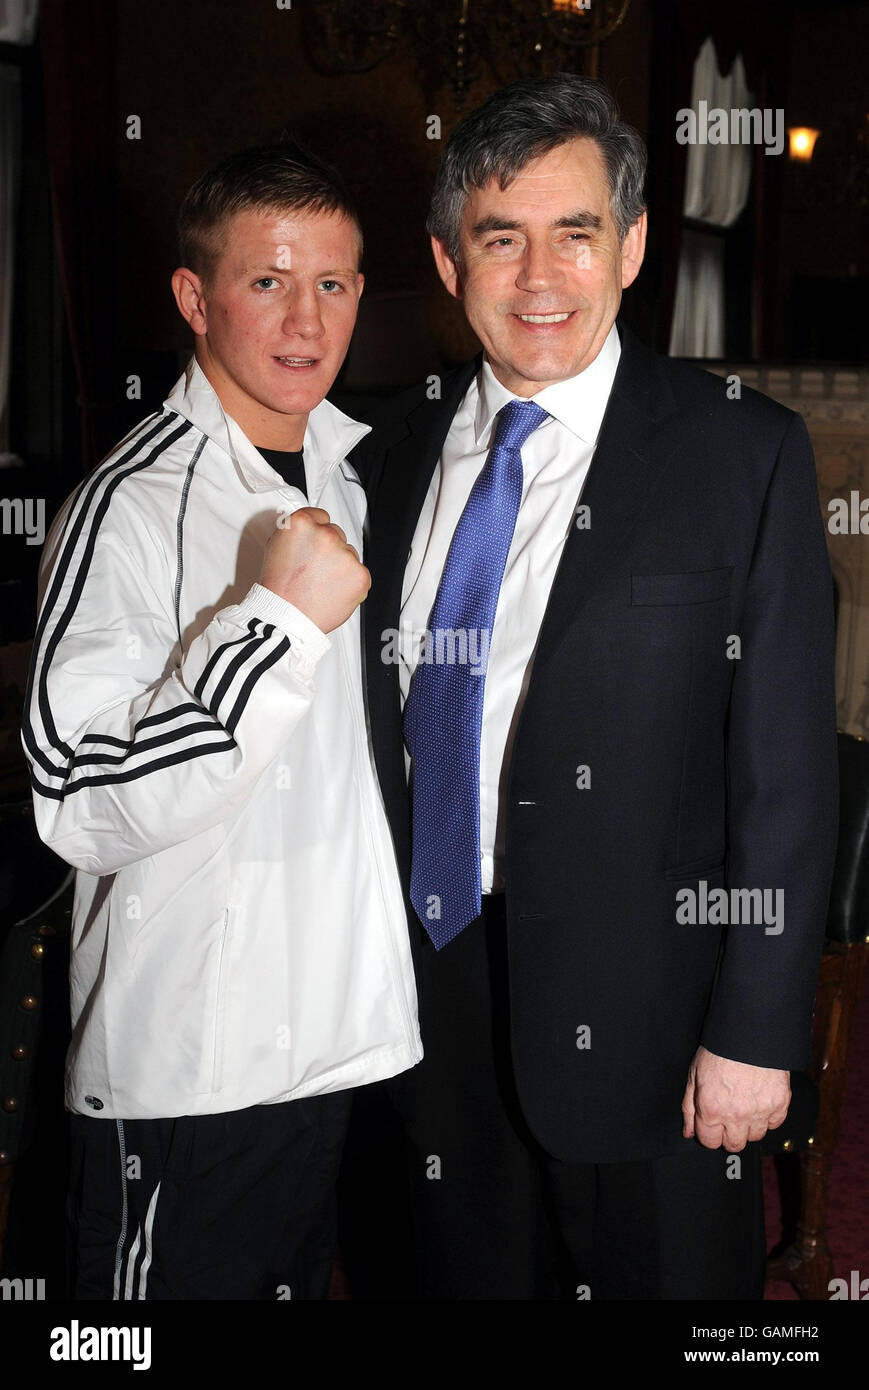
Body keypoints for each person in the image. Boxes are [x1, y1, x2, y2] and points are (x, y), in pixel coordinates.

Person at [354, 76, 838, 1300]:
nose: (536, 279)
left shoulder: (742, 451)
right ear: (445, 257)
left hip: (655, 1021)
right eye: (497, 237)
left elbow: (782, 779)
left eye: (572, 233)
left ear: (628, 246)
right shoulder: (377, 454)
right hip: (421, 1001)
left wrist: (752, 1031)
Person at [21, 142, 421, 1300]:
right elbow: (78, 794)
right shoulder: (130, 504)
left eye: (334, 283)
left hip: (333, 1048)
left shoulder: (355, 476)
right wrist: (275, 629)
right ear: (195, 298)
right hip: (189, 1071)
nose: (306, 320)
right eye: (268, 280)